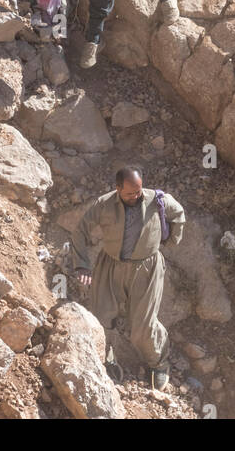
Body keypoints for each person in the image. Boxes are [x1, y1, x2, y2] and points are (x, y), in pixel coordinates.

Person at [71, 166, 185, 390]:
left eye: (138, 191)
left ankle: (159, 363)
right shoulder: (104, 204)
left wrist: (171, 242)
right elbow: (80, 231)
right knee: (101, 316)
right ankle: (107, 360)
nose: (136, 196)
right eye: (129, 193)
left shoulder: (157, 200)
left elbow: (178, 214)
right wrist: (82, 265)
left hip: (147, 268)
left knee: (142, 324)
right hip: (110, 265)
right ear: (117, 189)